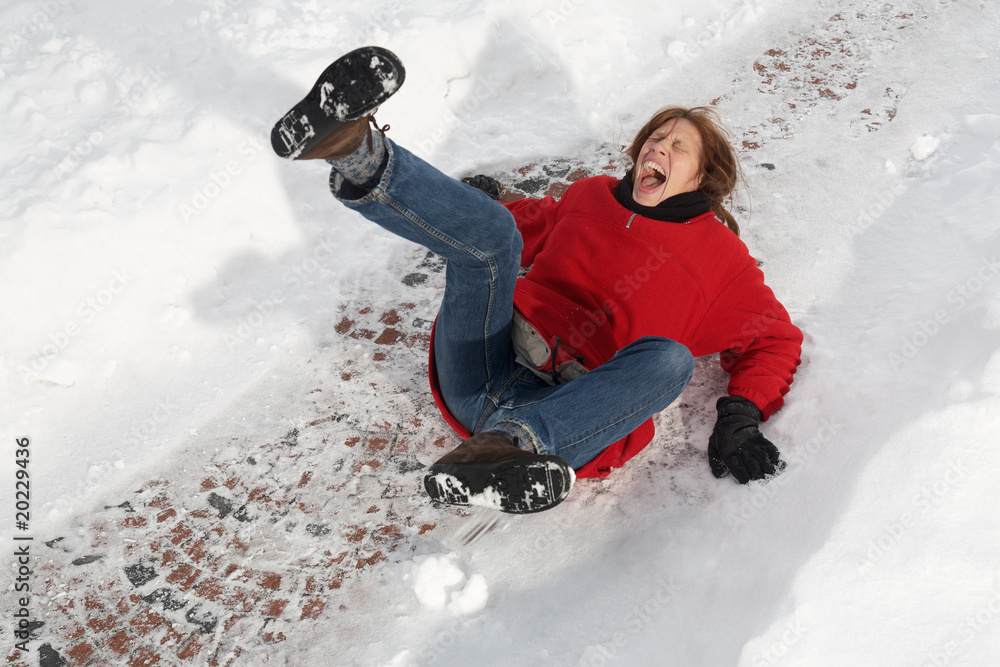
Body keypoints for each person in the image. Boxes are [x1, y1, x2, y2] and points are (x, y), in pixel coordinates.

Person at [270, 47, 803, 514]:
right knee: (493, 237)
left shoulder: (722, 260)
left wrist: (740, 414)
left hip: (569, 420)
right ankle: (354, 149)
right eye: (654, 138)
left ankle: (505, 456)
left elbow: (776, 338)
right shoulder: (591, 195)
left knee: (670, 360)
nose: (656, 148)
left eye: (677, 146)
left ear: (702, 177)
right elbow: (523, 225)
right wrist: (479, 209)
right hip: (482, 370)